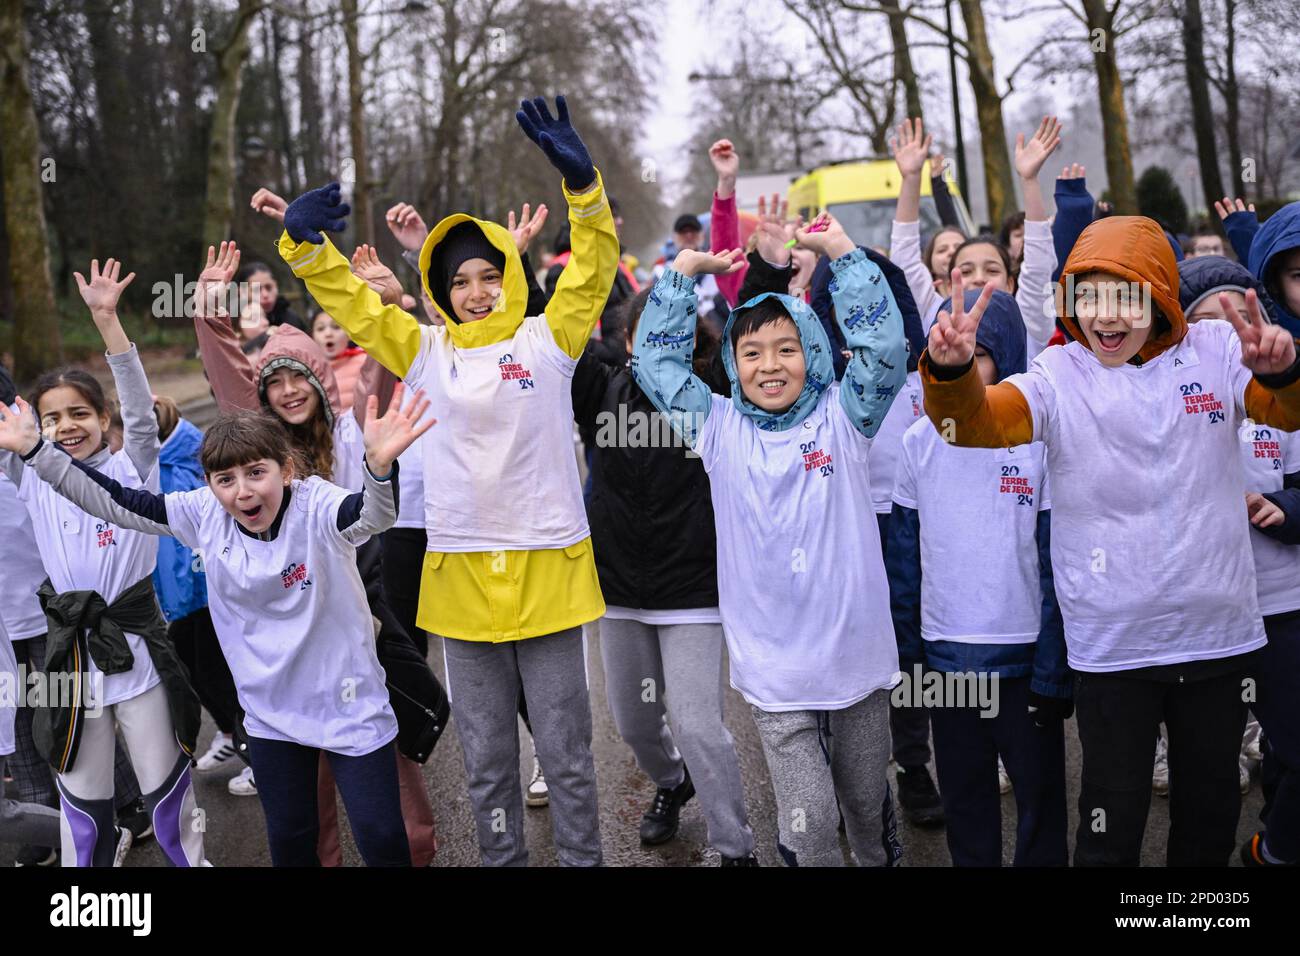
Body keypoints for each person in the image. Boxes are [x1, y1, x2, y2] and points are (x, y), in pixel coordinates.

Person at [275, 94, 618, 867]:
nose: (477, 291)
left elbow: (594, 269)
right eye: (459, 281)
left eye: (489, 275)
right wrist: (305, 248)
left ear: (510, 276)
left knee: (565, 756)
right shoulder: (424, 350)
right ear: (440, 290)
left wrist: (583, 189)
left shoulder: (551, 339)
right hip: (462, 581)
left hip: (550, 572)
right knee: (488, 763)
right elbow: (357, 310)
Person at [918, 214, 1300, 865]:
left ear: (1159, 296)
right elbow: (978, 425)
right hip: (1113, 647)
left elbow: (1282, 412)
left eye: (1125, 296)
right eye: (1089, 296)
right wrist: (951, 376)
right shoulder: (1059, 371)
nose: (1105, 315)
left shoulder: (1213, 348)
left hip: (1216, 636)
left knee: (1209, 813)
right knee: (1109, 822)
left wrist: (1282, 375)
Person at [3, 389, 434, 866]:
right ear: (209, 484)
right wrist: (36, 451)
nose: (243, 491)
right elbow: (111, 501)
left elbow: (372, 516)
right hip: (271, 717)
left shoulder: (316, 504)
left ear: (286, 470)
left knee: (381, 837)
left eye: (256, 473)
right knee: (291, 840)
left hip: (350, 706)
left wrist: (378, 469)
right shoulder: (202, 512)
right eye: (225, 479)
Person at [633, 212, 907, 866]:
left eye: (787, 349)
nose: (770, 365)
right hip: (774, 669)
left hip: (857, 659)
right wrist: (680, 275)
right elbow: (655, 365)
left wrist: (843, 255)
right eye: (751, 353)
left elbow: (884, 351)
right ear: (733, 363)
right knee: (809, 826)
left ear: (812, 352)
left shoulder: (846, 416)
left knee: (864, 806)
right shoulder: (717, 427)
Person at [1, 259, 205, 867]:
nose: (67, 427)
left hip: (138, 648)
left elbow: (140, 409)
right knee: (83, 807)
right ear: (34, 426)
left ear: (104, 420)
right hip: (71, 658)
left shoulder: (133, 468)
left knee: (166, 796)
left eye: (80, 414)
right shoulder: (30, 473)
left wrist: (108, 321)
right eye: (52, 417)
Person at [572, 287, 757, 864]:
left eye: (672, 334)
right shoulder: (599, 388)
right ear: (627, 342)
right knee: (634, 722)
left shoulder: (714, 391)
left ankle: (735, 847)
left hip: (692, 589)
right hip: (618, 589)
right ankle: (673, 782)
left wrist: (767, 266)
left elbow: (754, 324)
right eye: (646, 334)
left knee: (698, 725)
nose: (658, 345)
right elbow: (554, 333)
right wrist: (520, 265)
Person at [888, 287, 1070, 865]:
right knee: (966, 804)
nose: (962, 365)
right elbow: (905, 561)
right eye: (945, 353)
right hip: (948, 661)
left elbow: (1054, 558)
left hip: (1024, 661)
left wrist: (1053, 666)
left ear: (1008, 353)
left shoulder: (1035, 439)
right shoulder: (917, 442)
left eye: (979, 354)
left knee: (1041, 802)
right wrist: (911, 659)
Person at [1178, 255, 1300, 866]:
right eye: (1205, 323)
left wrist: (1285, 509)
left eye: (1236, 319)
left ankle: (1271, 849)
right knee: (1210, 772)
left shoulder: (1283, 400)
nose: (1225, 337)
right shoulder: (1170, 400)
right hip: (1208, 615)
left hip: (1281, 605)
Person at [889, 117, 1062, 355]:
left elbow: (1038, 265)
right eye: (966, 271)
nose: (979, 279)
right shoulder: (935, 318)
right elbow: (905, 262)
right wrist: (911, 179)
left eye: (992, 270)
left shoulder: (1027, 322)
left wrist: (1029, 180)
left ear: (1010, 284)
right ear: (949, 285)